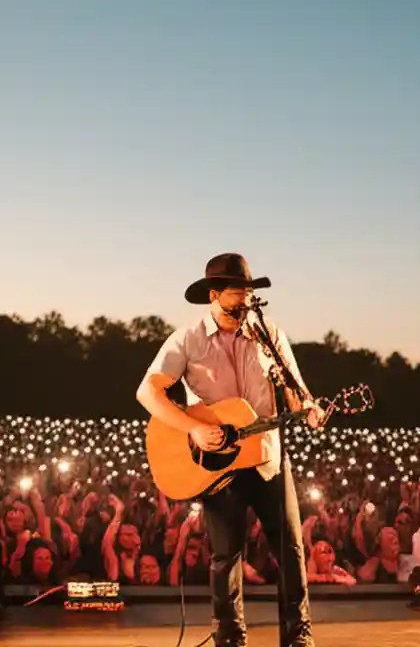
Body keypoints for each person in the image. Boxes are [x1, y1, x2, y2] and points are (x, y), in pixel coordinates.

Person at [136, 253, 326, 647]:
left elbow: (296, 393)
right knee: (226, 556)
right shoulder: (186, 339)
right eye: (237, 294)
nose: (244, 302)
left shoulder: (268, 333)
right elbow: (147, 392)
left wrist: (308, 408)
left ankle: (298, 635)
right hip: (219, 464)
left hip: (269, 457)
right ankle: (229, 636)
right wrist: (193, 428)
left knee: (290, 549)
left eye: (249, 294)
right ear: (214, 294)